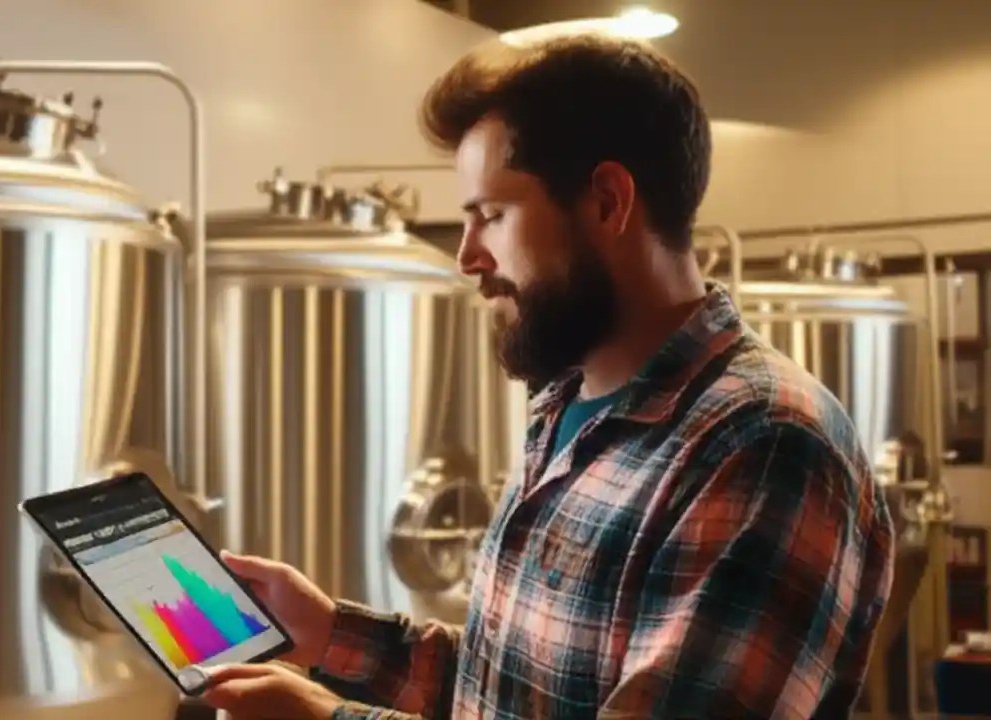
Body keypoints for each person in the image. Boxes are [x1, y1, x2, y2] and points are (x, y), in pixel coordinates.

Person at [200, 34, 895, 719]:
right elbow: (516, 689)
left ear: (606, 202)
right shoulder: (568, 404)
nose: (468, 256)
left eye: (492, 216)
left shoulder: (763, 446)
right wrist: (328, 633)